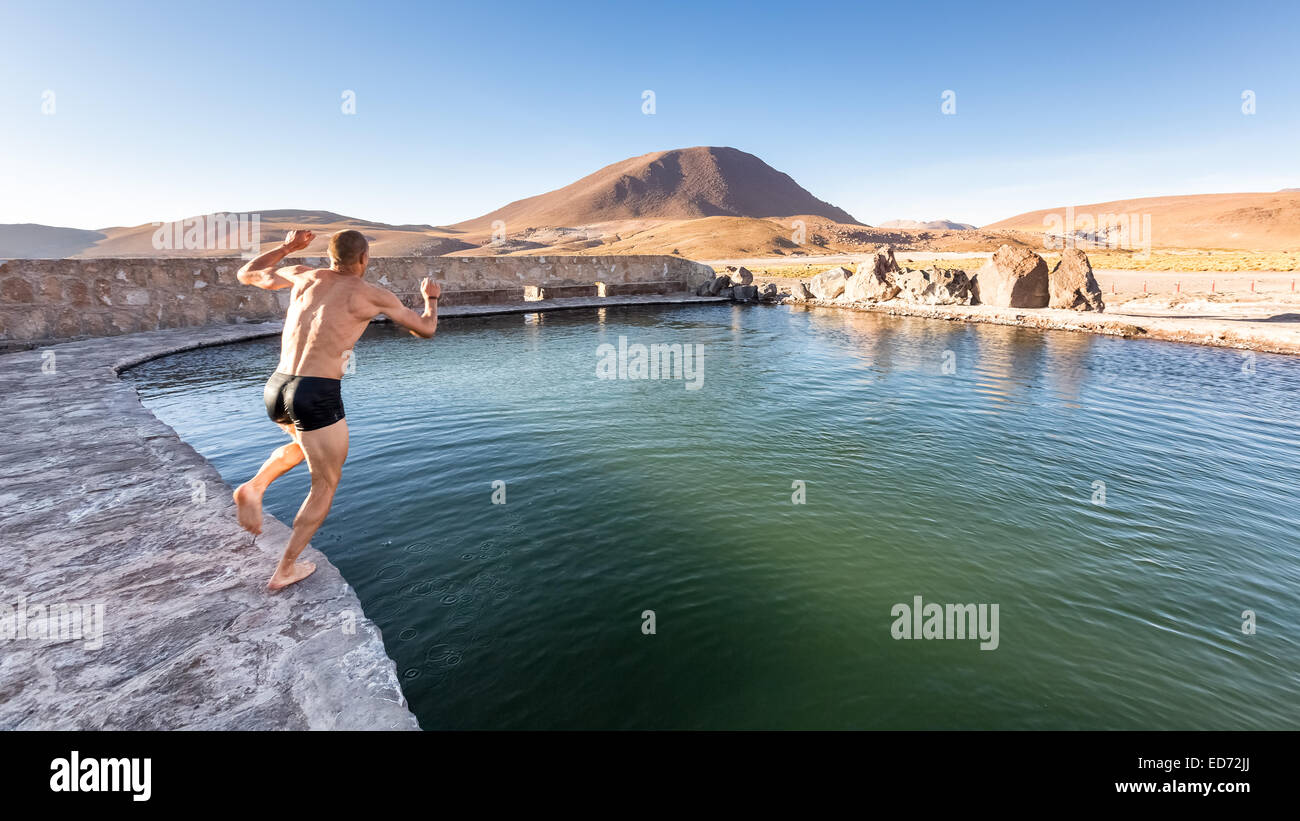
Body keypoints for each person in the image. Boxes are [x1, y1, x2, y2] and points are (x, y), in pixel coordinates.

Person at [232, 228, 440, 590]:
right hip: (316, 392)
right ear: (364, 259)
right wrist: (431, 299)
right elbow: (425, 329)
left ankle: (254, 488)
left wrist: (288, 247)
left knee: (304, 447)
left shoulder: (302, 274)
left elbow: (246, 273)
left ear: (330, 257)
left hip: (277, 386)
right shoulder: (372, 294)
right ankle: (286, 568)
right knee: (326, 482)